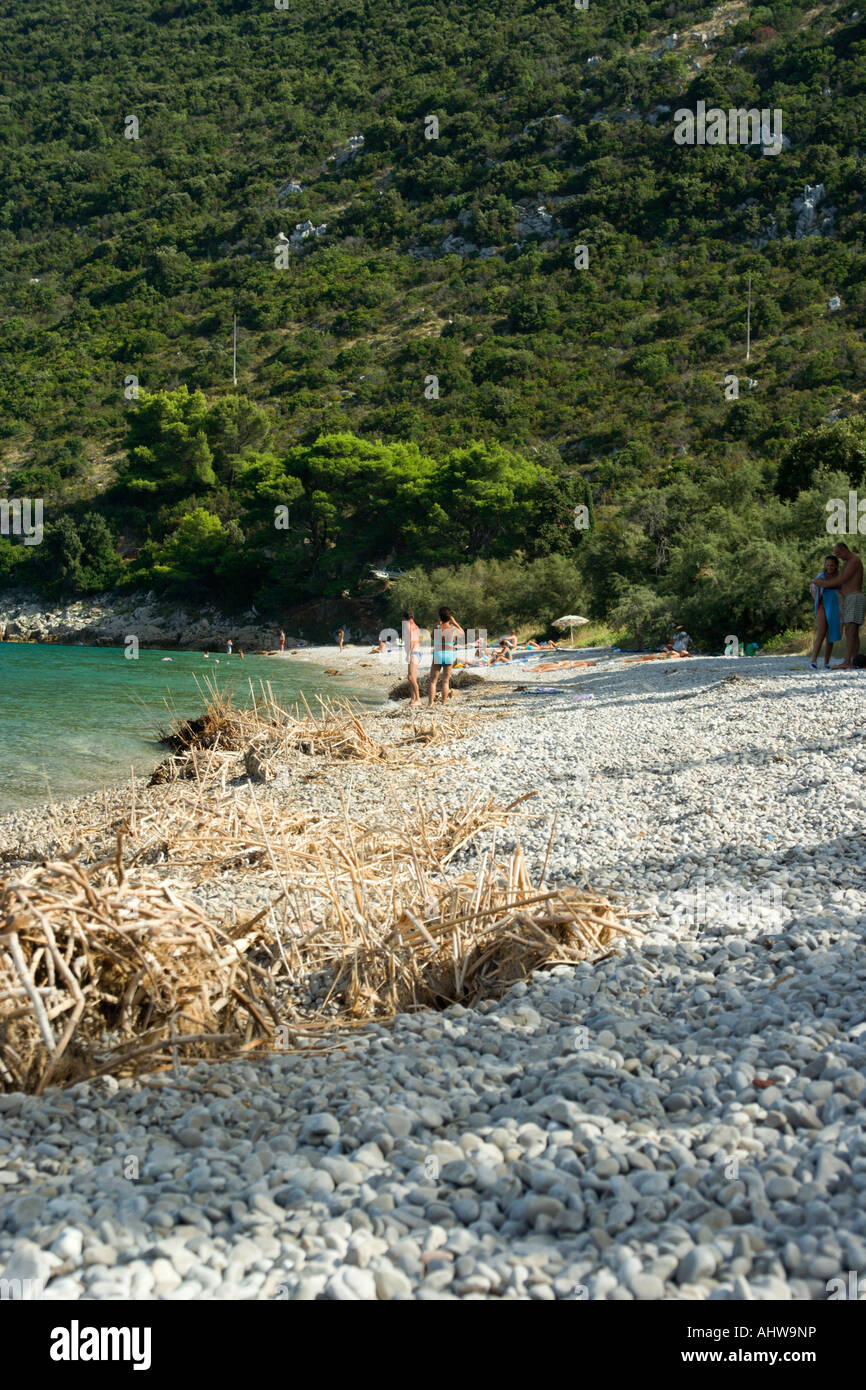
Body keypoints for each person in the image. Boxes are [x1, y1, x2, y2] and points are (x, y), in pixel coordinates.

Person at [813, 541, 864, 669]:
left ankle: (847, 661)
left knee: (850, 629)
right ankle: (854, 660)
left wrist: (823, 584)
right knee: (852, 630)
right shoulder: (847, 563)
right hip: (849, 598)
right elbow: (837, 582)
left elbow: (841, 580)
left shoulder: (854, 561)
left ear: (844, 549)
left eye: (838, 554)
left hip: (854, 597)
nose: (838, 557)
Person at [809, 555, 842, 669]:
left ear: (836, 566)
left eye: (832, 565)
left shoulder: (840, 577)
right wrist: (816, 599)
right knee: (821, 632)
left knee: (830, 635)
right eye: (827, 565)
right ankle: (813, 660)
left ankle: (826, 662)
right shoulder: (820, 576)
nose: (829, 567)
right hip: (822, 607)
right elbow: (812, 588)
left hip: (835, 607)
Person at [429, 606, 464, 707]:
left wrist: (438, 623)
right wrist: (454, 622)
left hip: (438, 654)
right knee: (445, 681)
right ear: (450, 617)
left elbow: (432, 636)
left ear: (440, 617)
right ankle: (443, 703)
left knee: (433, 681)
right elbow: (462, 633)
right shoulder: (453, 629)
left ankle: (431, 703)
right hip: (449, 655)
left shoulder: (437, 628)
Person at [402, 609, 422, 706]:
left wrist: (408, 654)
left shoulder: (409, 626)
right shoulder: (416, 626)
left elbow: (412, 641)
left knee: (410, 677)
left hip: (413, 653)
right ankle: (412, 699)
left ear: (405, 618)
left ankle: (418, 699)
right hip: (417, 652)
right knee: (413, 678)